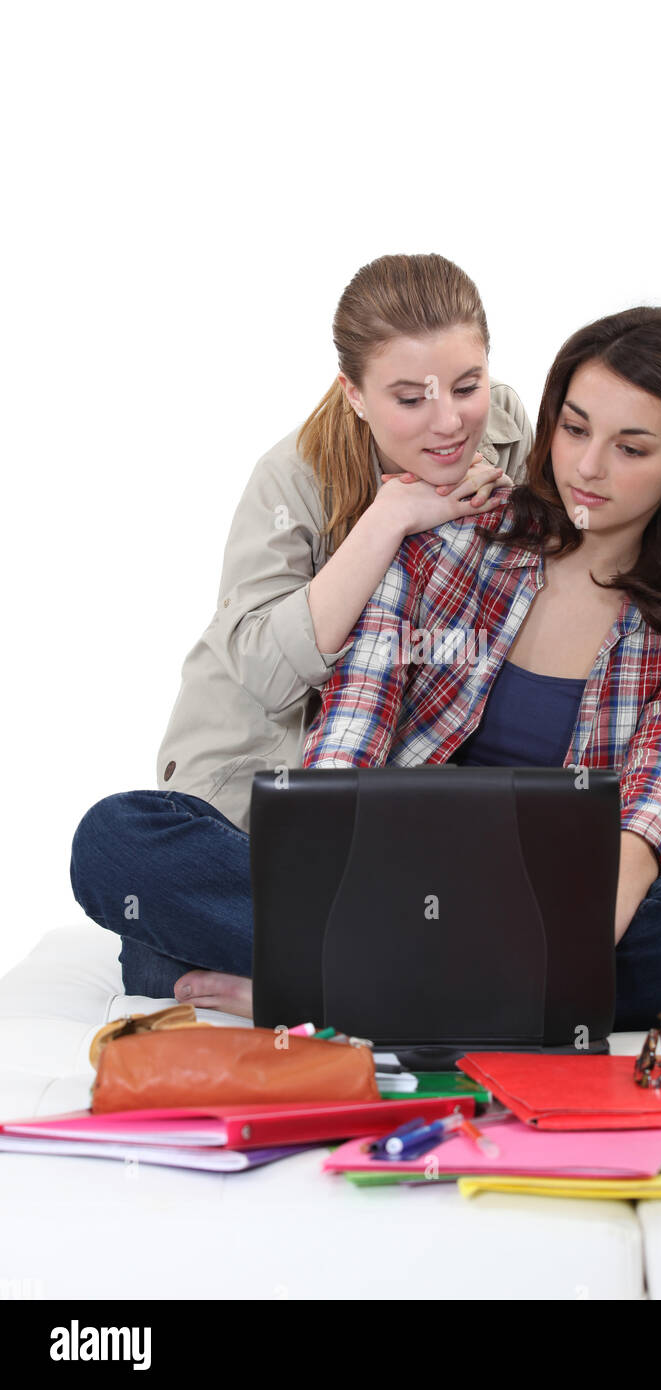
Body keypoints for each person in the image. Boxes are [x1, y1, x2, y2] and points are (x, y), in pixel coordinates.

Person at [121, 304, 661, 1030]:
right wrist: (332, 904)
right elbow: (349, 736)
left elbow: (654, 807)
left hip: (542, 907)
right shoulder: (455, 530)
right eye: (575, 428)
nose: (588, 468)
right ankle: (456, 988)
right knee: (124, 837)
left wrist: (338, 976)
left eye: (631, 448)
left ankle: (335, 983)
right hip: (381, 881)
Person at [69, 253, 533, 1000]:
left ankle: (301, 970)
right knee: (113, 844)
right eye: (410, 398)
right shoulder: (291, 477)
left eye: (468, 386)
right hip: (258, 813)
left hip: (404, 816)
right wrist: (387, 520)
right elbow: (264, 671)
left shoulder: (513, 438)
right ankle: (416, 972)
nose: (450, 422)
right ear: (353, 393)